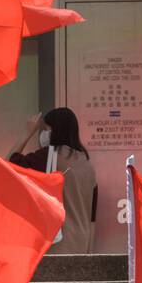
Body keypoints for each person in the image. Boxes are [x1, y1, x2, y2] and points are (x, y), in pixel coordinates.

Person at [9, 107, 98, 255]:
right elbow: (92, 217)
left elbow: (8, 167)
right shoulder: (87, 164)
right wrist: (88, 253)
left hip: (57, 245)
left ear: (55, 130)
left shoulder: (50, 156)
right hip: (82, 244)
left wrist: (27, 133)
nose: (43, 134)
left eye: (45, 129)